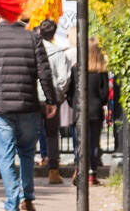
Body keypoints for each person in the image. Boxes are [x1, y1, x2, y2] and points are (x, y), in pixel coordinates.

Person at [0, 5, 58, 211]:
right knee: (27, 152)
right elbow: (44, 72)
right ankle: (28, 198)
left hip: (0, 107)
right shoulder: (33, 39)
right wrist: (50, 100)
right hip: (28, 105)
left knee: (5, 154)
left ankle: (12, 203)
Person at [35, 18, 72, 184]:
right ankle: (53, 171)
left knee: (30, 134)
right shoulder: (58, 53)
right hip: (53, 98)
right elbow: (64, 79)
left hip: (33, 98)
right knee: (52, 135)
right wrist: (59, 93)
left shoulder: (33, 50)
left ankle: (27, 168)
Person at [70, 39, 110, 184]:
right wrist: (101, 102)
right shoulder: (101, 71)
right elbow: (105, 93)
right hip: (95, 110)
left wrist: (73, 103)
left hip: (80, 110)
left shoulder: (76, 69)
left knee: (81, 142)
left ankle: (80, 168)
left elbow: (70, 91)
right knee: (94, 143)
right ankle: (92, 173)